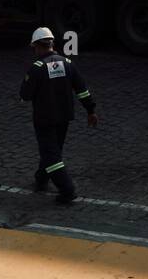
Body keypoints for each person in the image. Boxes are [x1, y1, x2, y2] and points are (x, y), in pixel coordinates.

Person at [19, 26, 98, 204]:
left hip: (44, 119)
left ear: (37, 46)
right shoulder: (68, 64)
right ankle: (41, 178)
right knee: (53, 149)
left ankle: (67, 190)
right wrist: (91, 110)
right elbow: (82, 90)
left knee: (51, 155)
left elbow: (25, 95)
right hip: (64, 117)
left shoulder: (37, 68)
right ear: (52, 44)